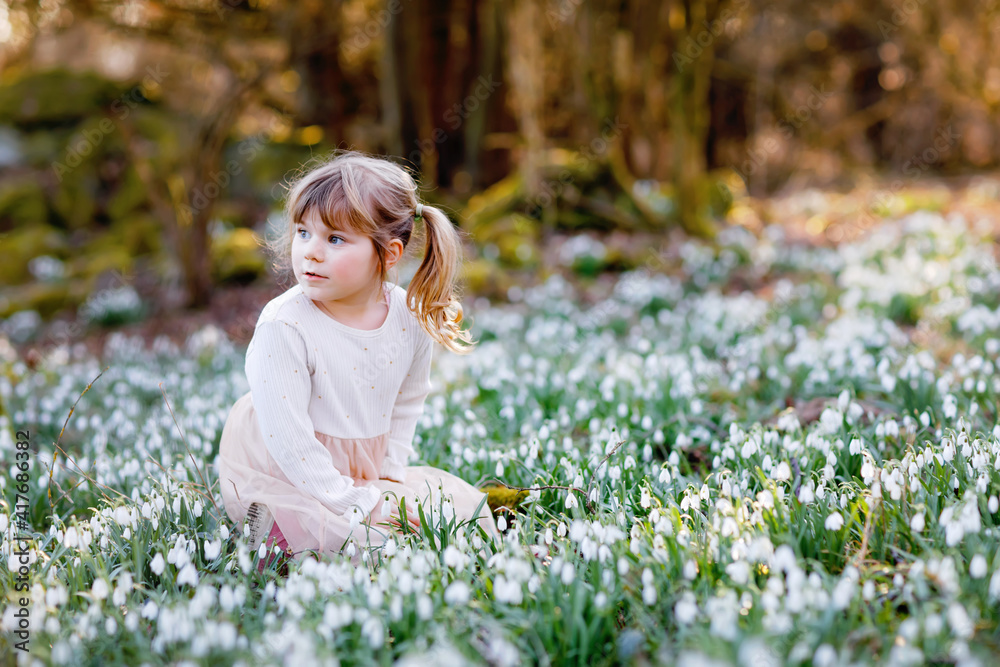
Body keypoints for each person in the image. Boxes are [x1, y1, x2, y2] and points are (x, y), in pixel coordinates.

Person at [216, 150, 501, 572]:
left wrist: (388, 475)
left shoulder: (408, 317)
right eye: (302, 232)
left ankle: (335, 524)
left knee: (457, 512)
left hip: (357, 469)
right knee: (351, 545)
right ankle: (274, 529)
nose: (310, 252)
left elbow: (408, 399)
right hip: (283, 468)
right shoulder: (285, 325)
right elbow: (289, 439)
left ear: (387, 254)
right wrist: (349, 501)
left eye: (334, 239)